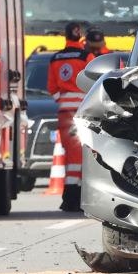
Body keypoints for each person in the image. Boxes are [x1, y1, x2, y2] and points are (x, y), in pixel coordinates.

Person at [47, 22, 90, 212]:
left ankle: (70, 196)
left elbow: (52, 89)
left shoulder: (55, 59)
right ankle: (75, 197)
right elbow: (93, 83)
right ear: (80, 36)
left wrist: (64, 99)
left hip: (65, 114)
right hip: (84, 113)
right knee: (82, 156)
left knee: (70, 156)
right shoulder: (86, 56)